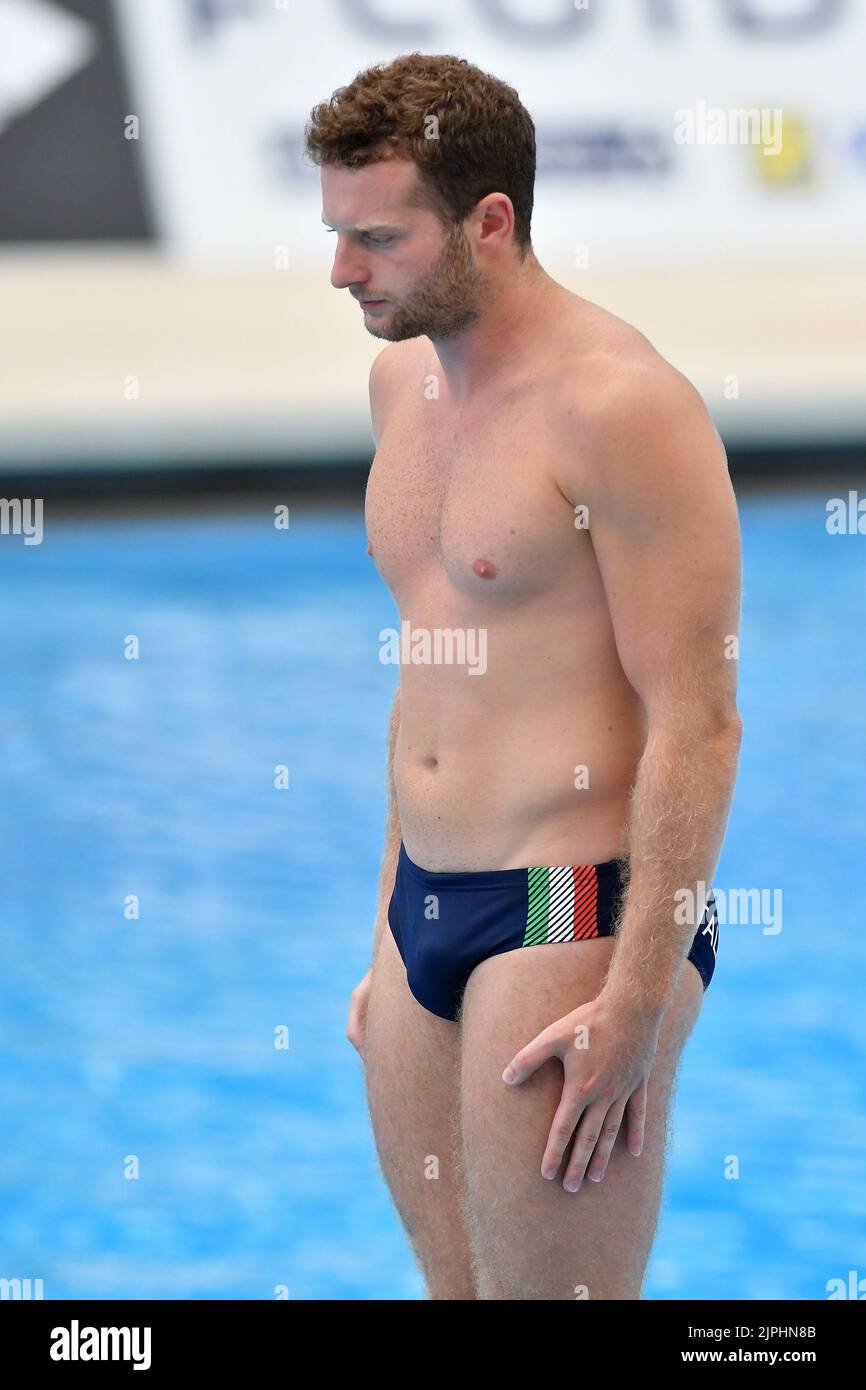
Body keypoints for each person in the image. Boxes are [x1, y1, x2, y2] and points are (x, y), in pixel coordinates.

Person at [305, 52, 742, 1300]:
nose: (342, 272)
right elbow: (431, 678)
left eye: (377, 238)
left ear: (488, 221)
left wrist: (638, 1000)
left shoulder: (620, 408)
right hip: (421, 922)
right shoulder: (405, 385)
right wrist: (387, 927)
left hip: (571, 918)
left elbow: (697, 723)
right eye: (335, 234)